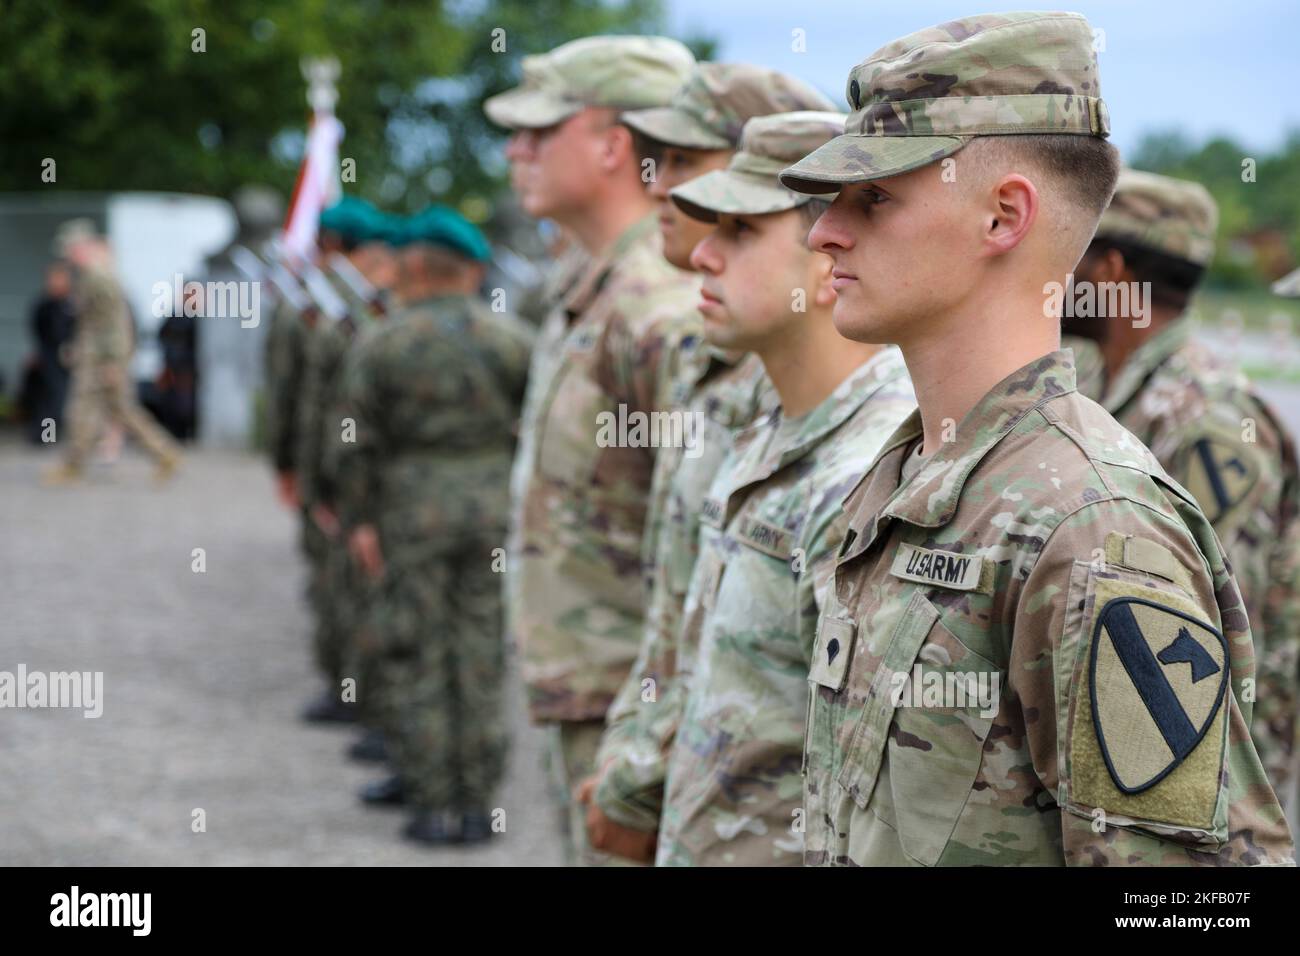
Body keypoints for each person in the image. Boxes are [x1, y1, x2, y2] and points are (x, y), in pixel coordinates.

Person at [777, 10, 1293, 865]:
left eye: (873, 197)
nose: (823, 231)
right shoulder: (913, 475)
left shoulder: (1091, 526)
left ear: (1002, 217)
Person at [580, 63, 839, 860]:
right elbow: (686, 623)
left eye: (740, 230)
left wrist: (643, 776)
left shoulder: (865, 458)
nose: (699, 254)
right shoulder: (765, 414)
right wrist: (634, 762)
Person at [484, 34, 700, 865]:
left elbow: (701, 534)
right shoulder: (593, 286)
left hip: (634, 708)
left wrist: (653, 742)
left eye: (540, 131)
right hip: (590, 694)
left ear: (614, 145)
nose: (516, 148)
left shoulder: (659, 305)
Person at [1064, 169, 1300, 809]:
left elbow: (1202, 632)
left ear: (1110, 270)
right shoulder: (1093, 378)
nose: (1054, 275)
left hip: (1204, 780)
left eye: (1072, 255)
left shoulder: (1210, 420)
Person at [336, 208, 534, 845]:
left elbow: (351, 440)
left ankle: (429, 802)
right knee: (479, 652)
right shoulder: (510, 339)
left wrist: (359, 519)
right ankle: (477, 803)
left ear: (415, 267)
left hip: (410, 511)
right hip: (491, 510)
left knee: (416, 648)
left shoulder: (383, 340)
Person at [44, 219, 182, 484]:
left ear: (81, 247)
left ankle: (74, 465)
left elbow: (114, 324)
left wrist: (112, 362)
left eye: (71, 249)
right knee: (116, 409)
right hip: (97, 356)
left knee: (86, 410)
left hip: (100, 359)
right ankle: (164, 453)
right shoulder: (95, 274)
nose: (68, 256)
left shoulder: (98, 276)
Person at [27, 261, 76, 443]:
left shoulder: (72, 303)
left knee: (66, 396)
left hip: (70, 357)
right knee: (51, 397)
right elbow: (38, 329)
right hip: (50, 357)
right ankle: (46, 436)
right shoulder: (44, 304)